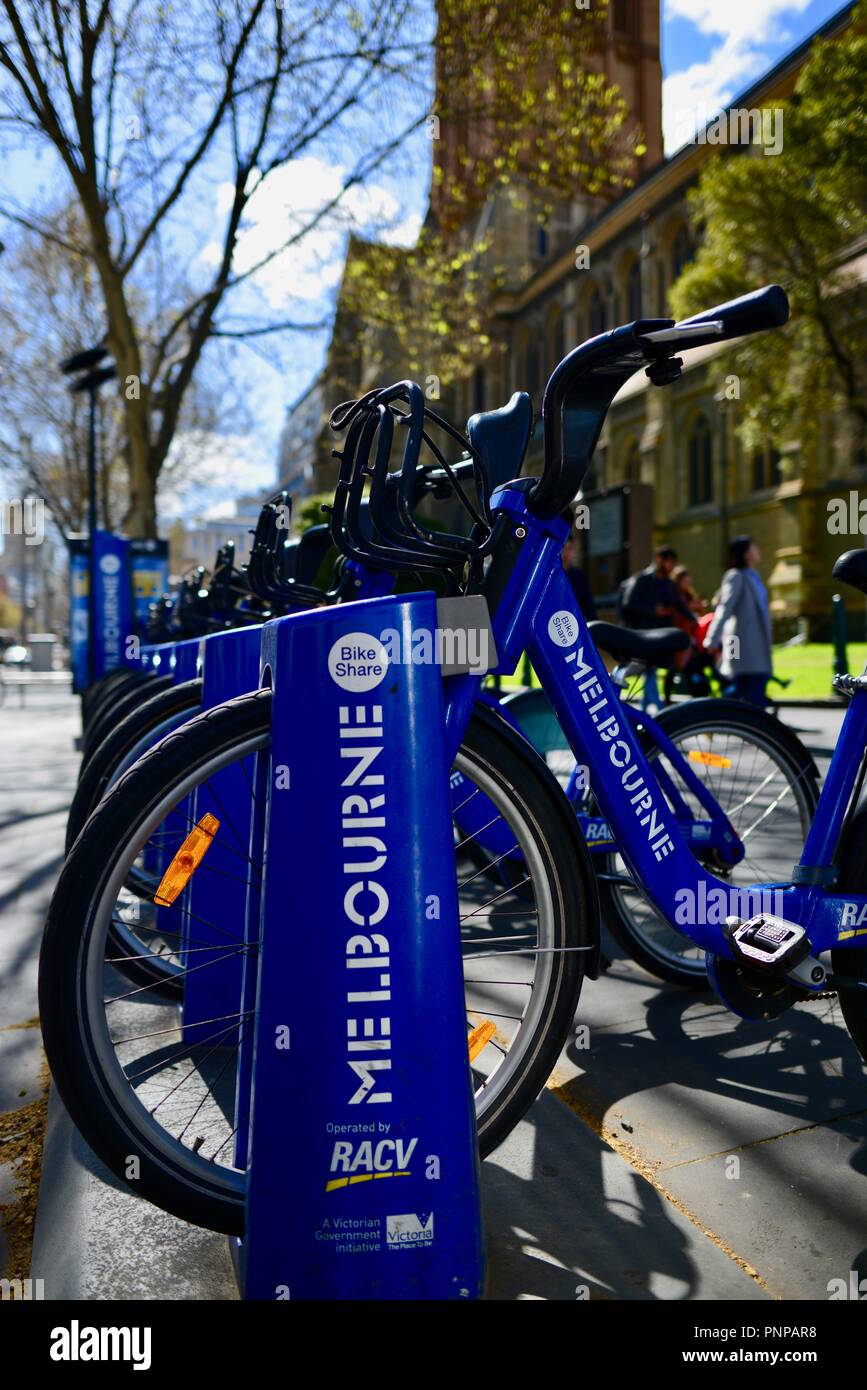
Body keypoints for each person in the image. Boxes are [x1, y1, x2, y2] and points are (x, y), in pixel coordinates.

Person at [620, 545, 696, 711]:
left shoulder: (669, 584)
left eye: (673, 563)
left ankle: (646, 710)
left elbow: (679, 605)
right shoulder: (642, 580)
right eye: (668, 562)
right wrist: (653, 609)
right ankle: (660, 708)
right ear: (659, 560)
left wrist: (693, 620)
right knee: (648, 671)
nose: (671, 567)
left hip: (661, 635)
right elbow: (629, 604)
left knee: (650, 670)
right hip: (643, 633)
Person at [704, 535, 772, 706]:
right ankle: (712, 714)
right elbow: (724, 609)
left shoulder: (754, 576)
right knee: (745, 689)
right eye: (754, 547)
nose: (758, 551)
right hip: (741, 644)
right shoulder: (735, 576)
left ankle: (717, 717)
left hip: (756, 644)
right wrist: (711, 639)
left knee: (748, 688)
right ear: (746, 553)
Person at [561, 536, 596, 620]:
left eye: (569, 549)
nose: (566, 553)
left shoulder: (578, 575)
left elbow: (588, 606)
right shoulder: (551, 574)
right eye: (564, 548)